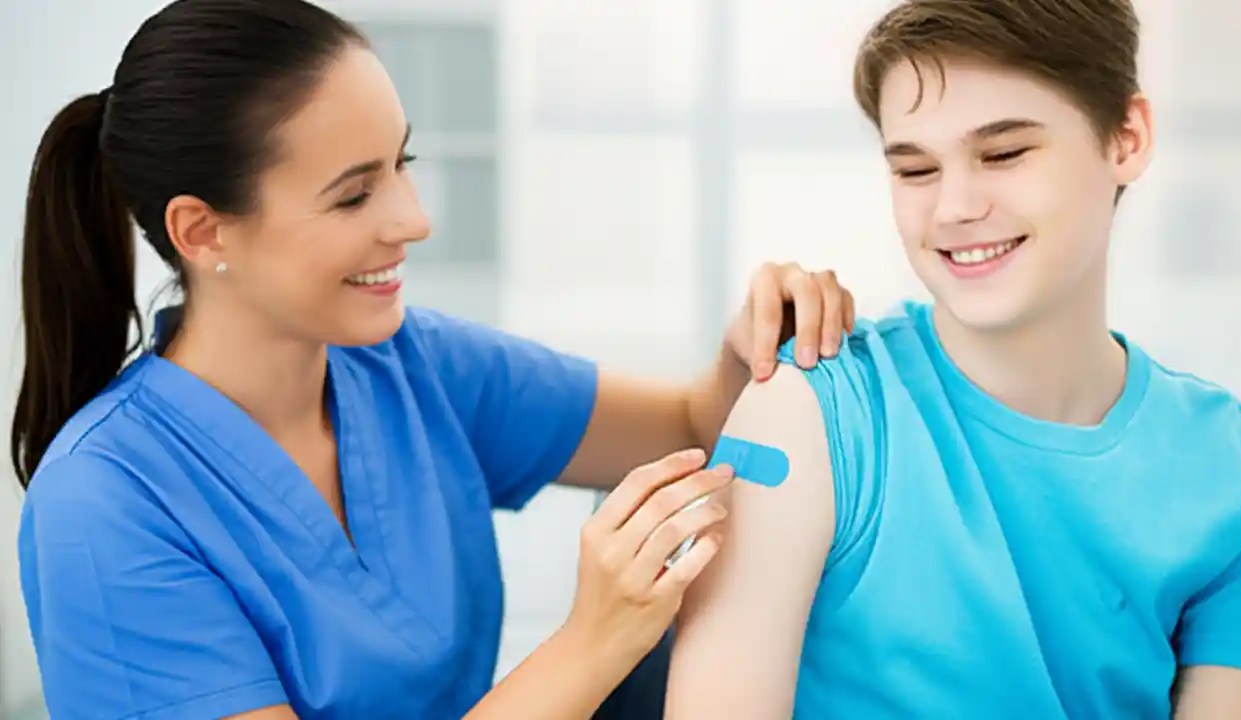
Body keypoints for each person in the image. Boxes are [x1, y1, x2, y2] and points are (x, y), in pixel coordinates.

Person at [10, 1, 857, 718]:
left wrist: (744, 350)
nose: (414, 219)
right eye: (354, 194)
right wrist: (595, 638)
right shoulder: (105, 504)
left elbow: (686, 428)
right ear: (203, 232)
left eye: (401, 164)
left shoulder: (412, 367)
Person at [666, 1, 1241, 718]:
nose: (953, 207)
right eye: (916, 169)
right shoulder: (808, 416)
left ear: (1127, 137)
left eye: (1004, 154)